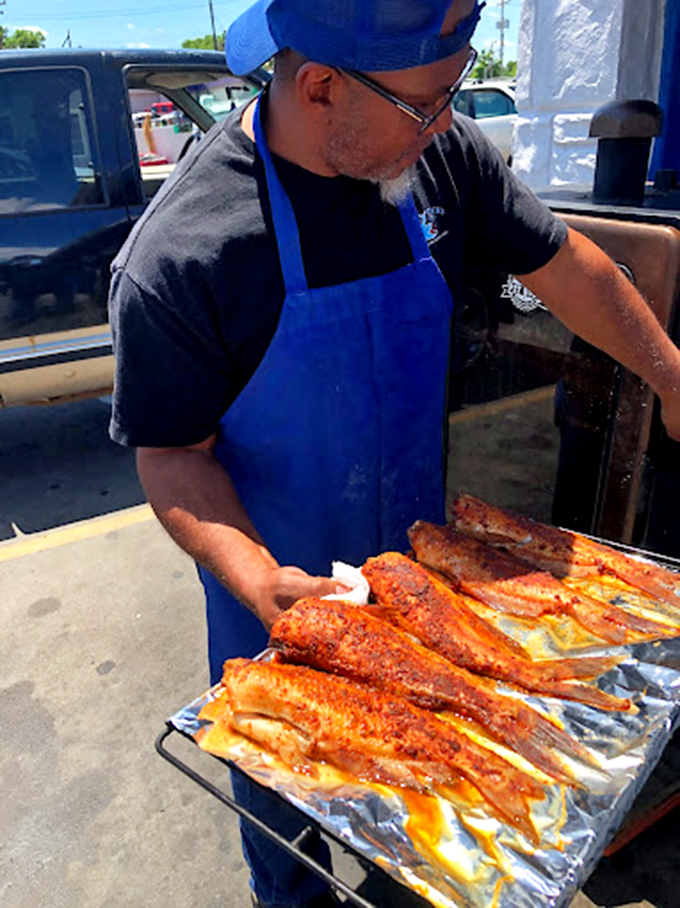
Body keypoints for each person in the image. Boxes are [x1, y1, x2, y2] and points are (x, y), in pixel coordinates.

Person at [108, 1, 680, 905]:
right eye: (430, 101)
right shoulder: (184, 257)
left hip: (432, 582)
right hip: (282, 600)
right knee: (290, 816)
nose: (451, 121)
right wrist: (265, 586)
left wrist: (673, 375)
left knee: (430, 808)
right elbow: (171, 456)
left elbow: (568, 267)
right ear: (323, 87)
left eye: (455, 90)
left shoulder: (437, 157)